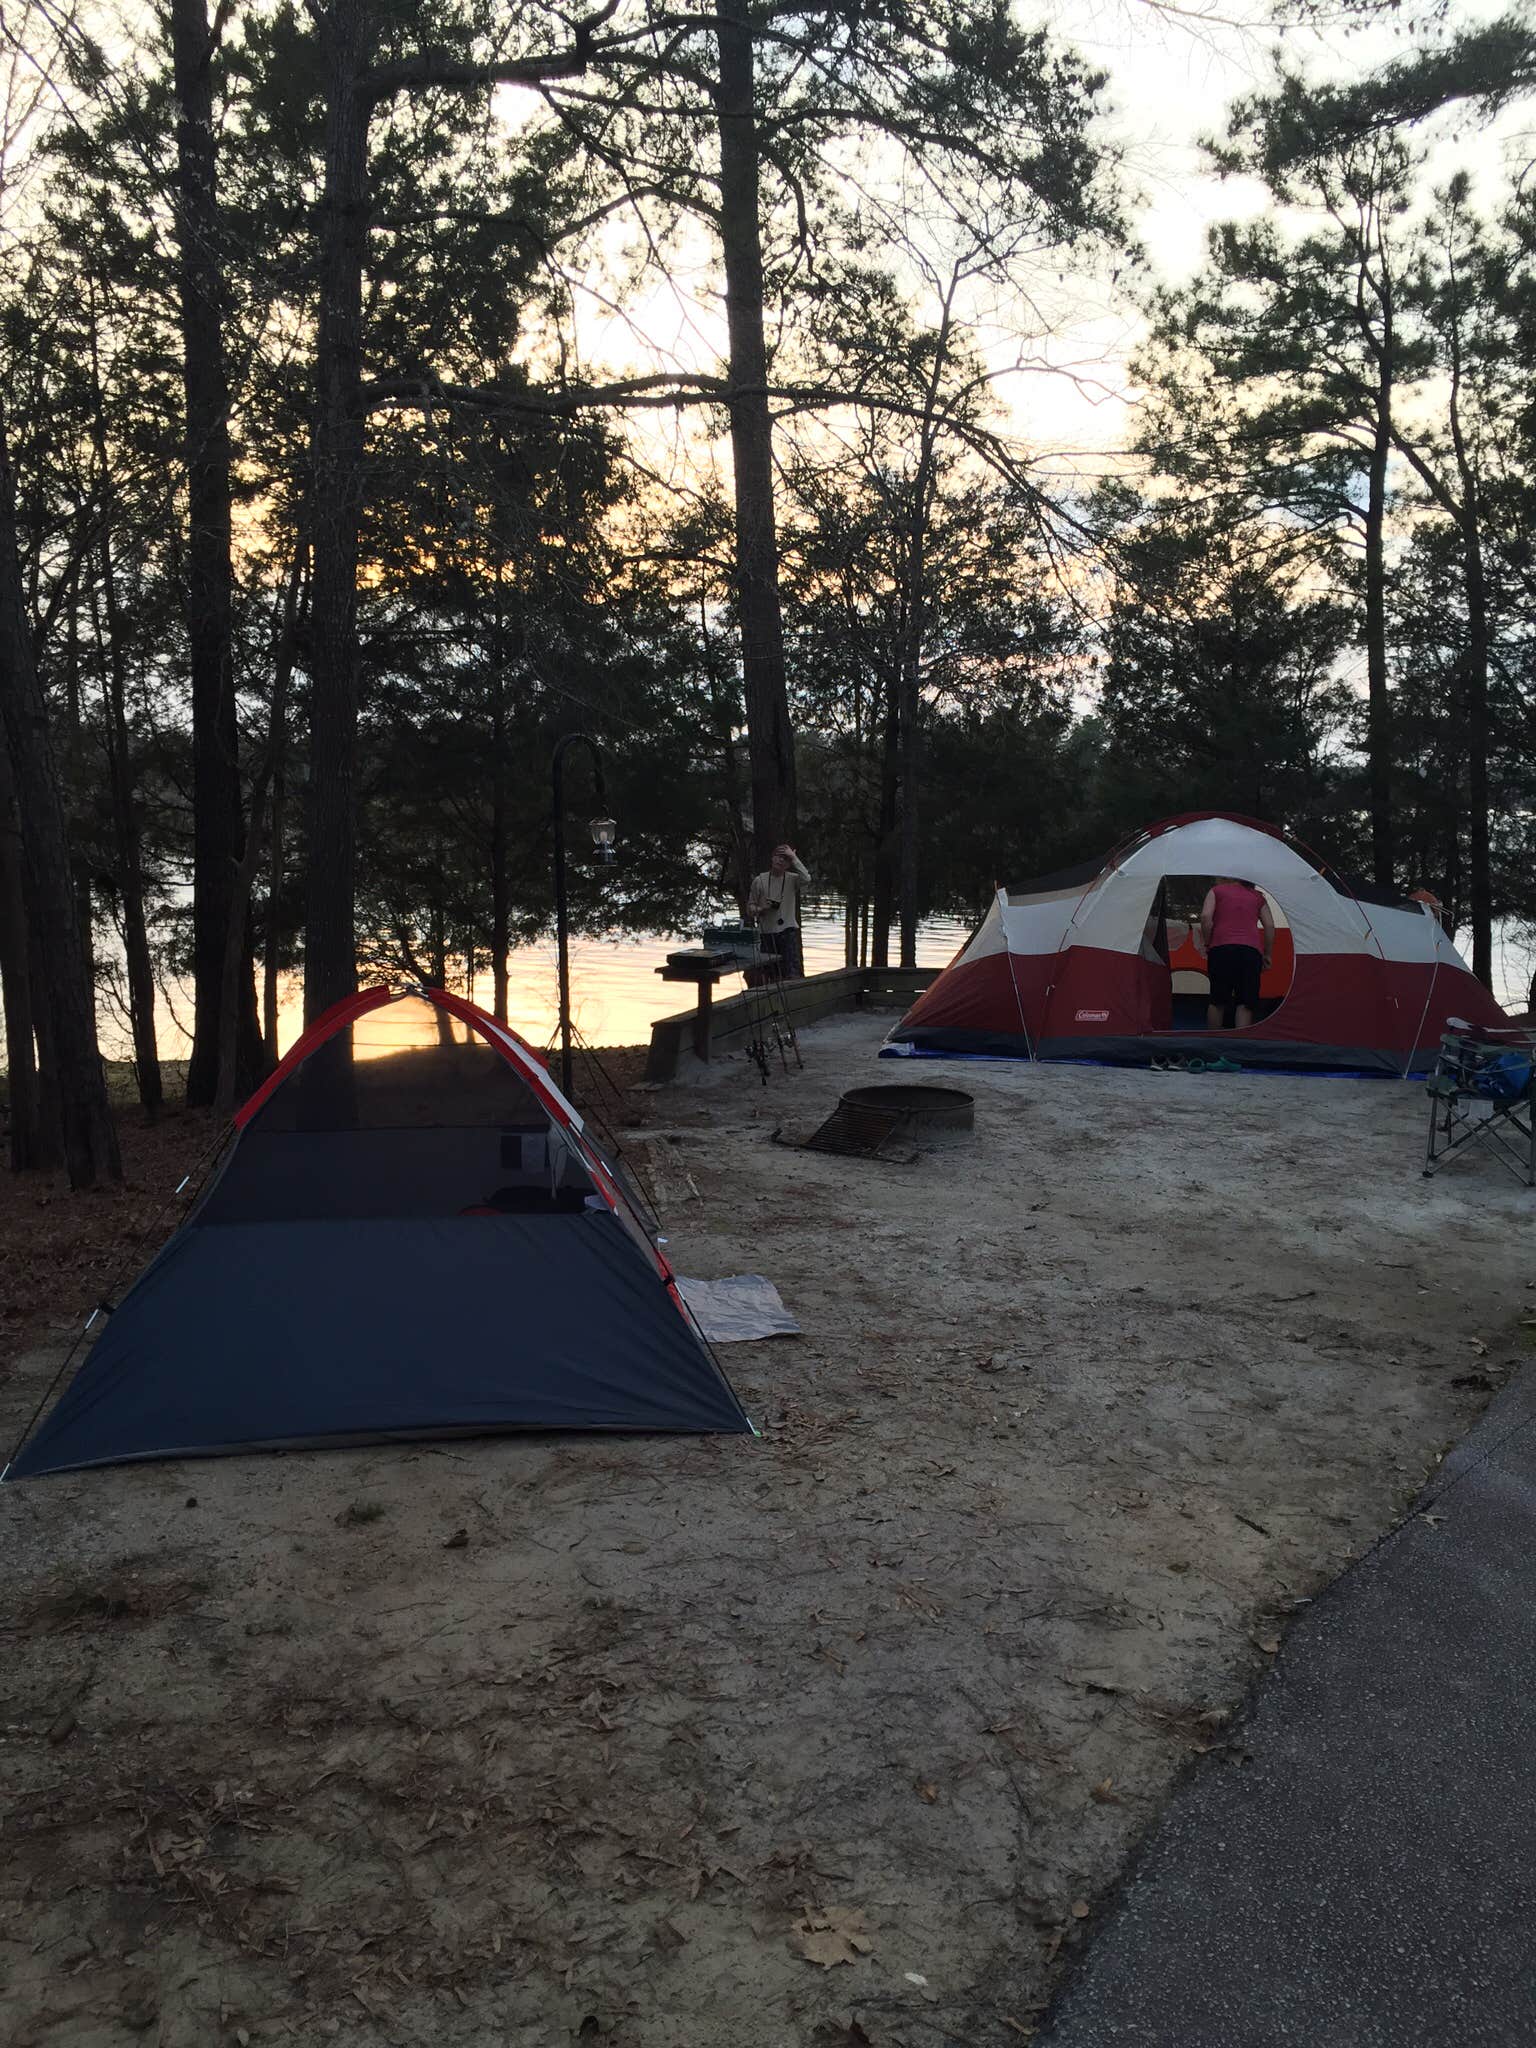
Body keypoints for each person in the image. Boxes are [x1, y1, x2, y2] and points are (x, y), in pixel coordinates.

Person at [1199, 877, 1273, 1031]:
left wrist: (1207, 942)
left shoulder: (1216, 891)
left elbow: (1206, 917)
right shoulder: (1258, 897)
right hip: (1251, 952)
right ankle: (1241, 1043)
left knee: (1217, 999)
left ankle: (1212, 1043)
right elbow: (1270, 925)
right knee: (1245, 1001)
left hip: (1220, 948)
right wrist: (1267, 953)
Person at [747, 843, 811, 980]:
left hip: (787, 932)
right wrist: (761, 909)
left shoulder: (793, 879)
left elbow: (806, 878)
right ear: (772, 858)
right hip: (766, 933)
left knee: (791, 973)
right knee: (769, 974)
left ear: (789, 864)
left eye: (785, 858)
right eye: (778, 856)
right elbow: (750, 908)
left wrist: (794, 857)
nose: (781, 860)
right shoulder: (759, 880)